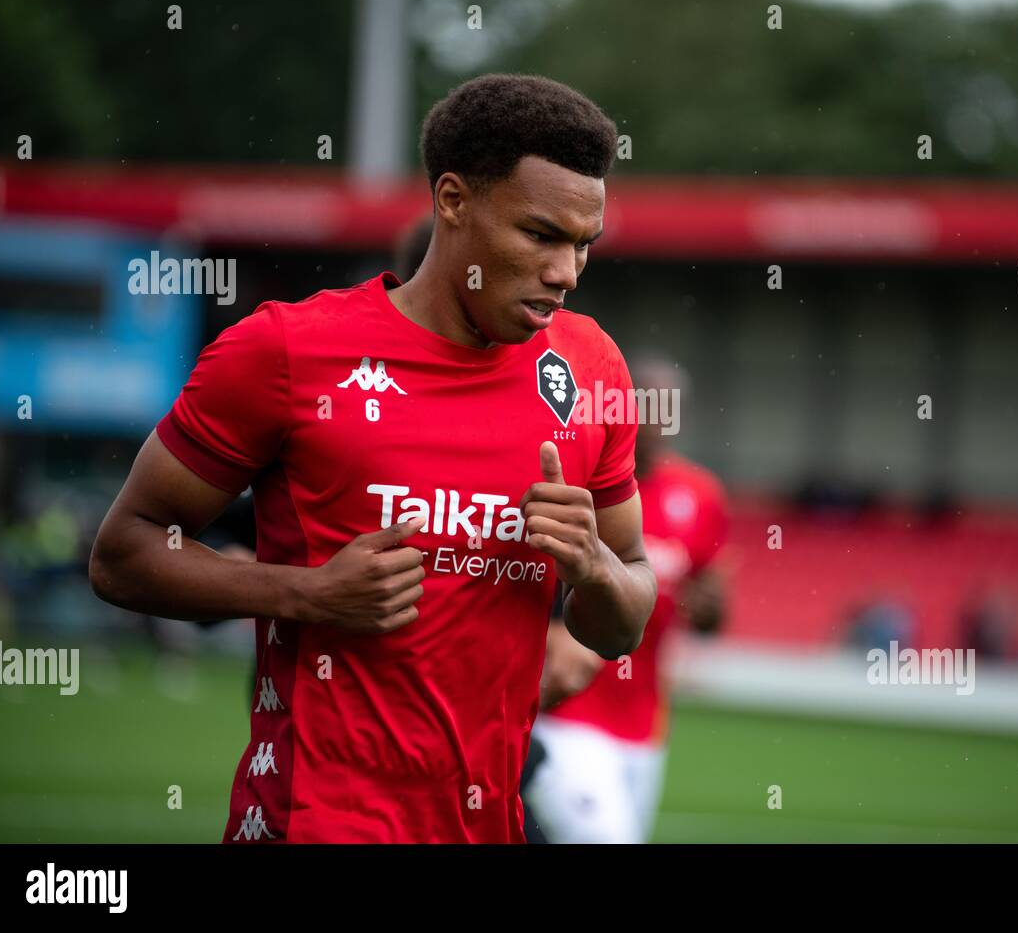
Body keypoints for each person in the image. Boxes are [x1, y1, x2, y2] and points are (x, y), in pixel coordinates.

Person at [88, 73, 656, 843]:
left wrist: (591, 566)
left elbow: (623, 619)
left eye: (583, 245)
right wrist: (305, 595)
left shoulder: (591, 368)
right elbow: (122, 554)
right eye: (541, 235)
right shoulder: (286, 351)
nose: (566, 272)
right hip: (311, 823)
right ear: (453, 201)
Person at [522, 357, 730, 843]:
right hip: (569, 715)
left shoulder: (700, 496)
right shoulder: (579, 483)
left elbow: (712, 616)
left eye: (671, 405)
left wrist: (709, 611)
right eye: (647, 401)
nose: (659, 416)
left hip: (644, 725)